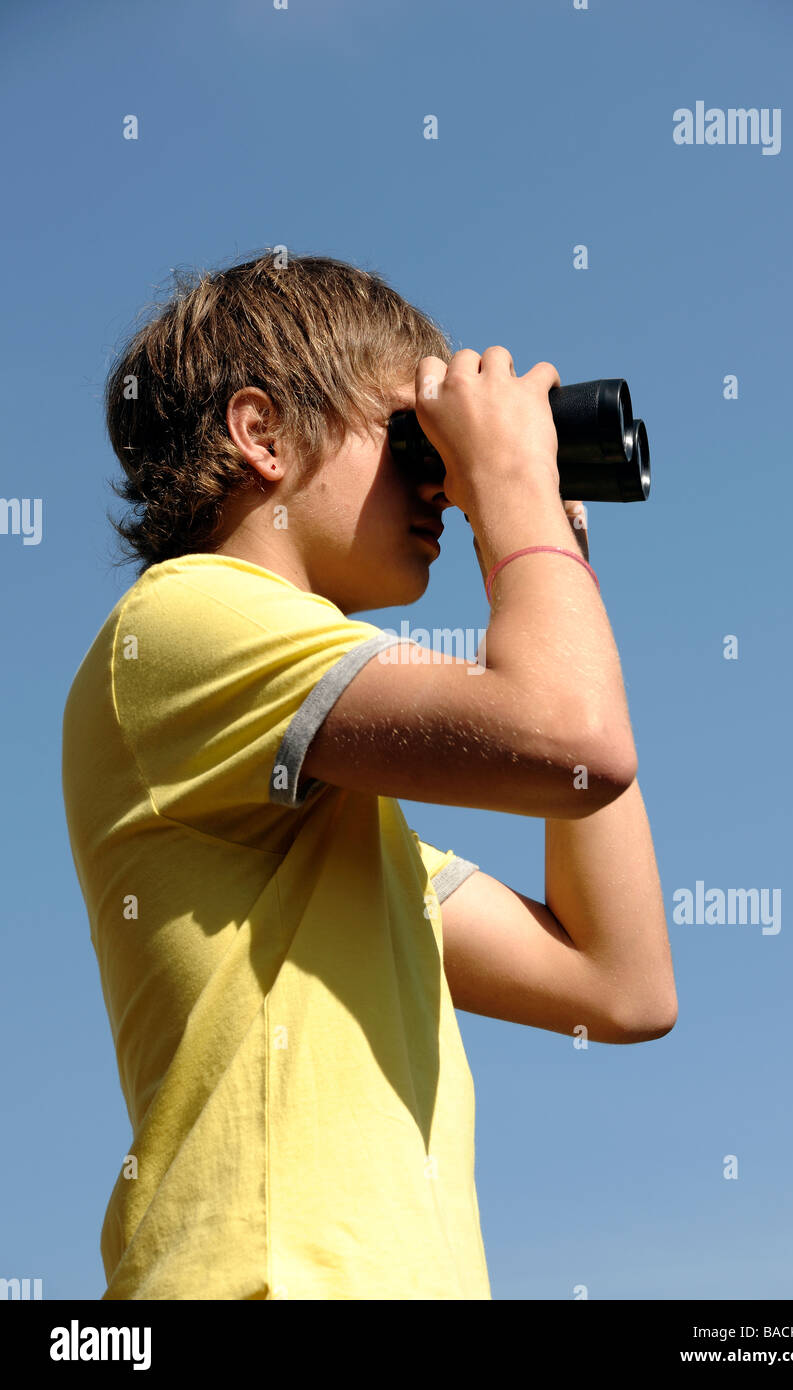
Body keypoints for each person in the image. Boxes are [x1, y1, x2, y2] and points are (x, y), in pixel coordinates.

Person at [61, 250, 676, 1301]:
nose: (441, 476)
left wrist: (534, 546)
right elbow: (573, 740)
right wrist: (515, 499)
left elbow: (616, 981)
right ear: (261, 435)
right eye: (412, 437)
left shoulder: (341, 837)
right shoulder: (182, 616)